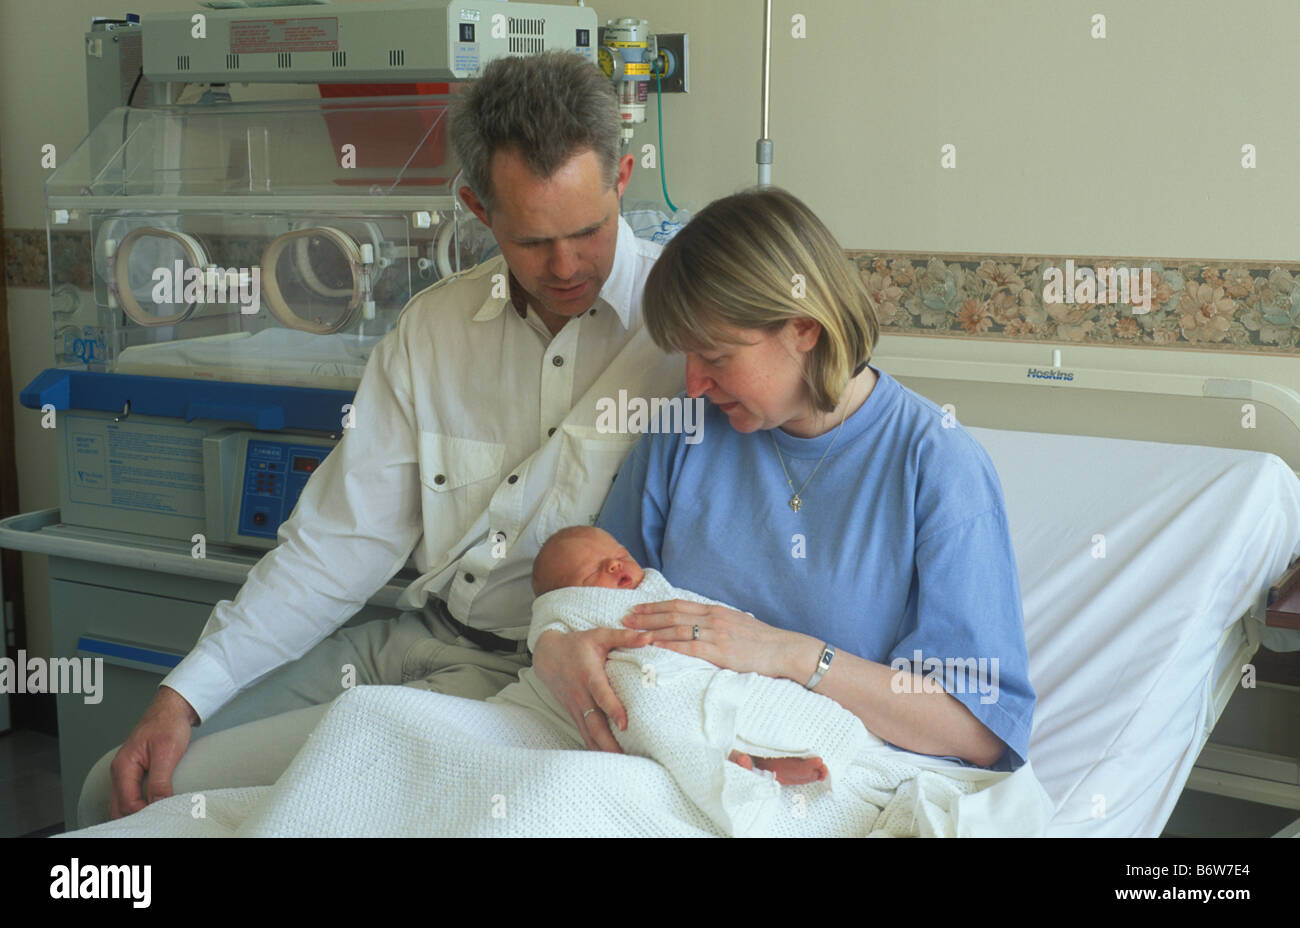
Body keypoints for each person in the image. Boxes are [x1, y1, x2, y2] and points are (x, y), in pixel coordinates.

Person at [78, 51, 684, 827]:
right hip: (408, 637)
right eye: (532, 241)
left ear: (624, 177)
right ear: (477, 207)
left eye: (589, 231)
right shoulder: (434, 329)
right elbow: (336, 547)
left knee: (231, 815)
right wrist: (182, 694)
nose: (567, 266)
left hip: (530, 680)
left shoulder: (681, 338)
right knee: (113, 785)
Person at [529, 187, 1035, 772]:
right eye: (686, 357)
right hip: (664, 749)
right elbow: (592, 596)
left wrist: (785, 653)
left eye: (716, 358)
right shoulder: (685, 430)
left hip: (816, 774)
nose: (693, 383)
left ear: (804, 328)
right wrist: (555, 649)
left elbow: (980, 728)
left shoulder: (936, 463)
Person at [516, 524, 830, 788]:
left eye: (621, 556)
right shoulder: (570, 615)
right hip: (631, 673)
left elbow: (723, 619)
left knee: (741, 691)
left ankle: (757, 753)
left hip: (698, 666)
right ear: (571, 597)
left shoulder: (660, 592)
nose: (614, 565)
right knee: (641, 707)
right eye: (590, 574)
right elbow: (552, 621)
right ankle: (740, 764)